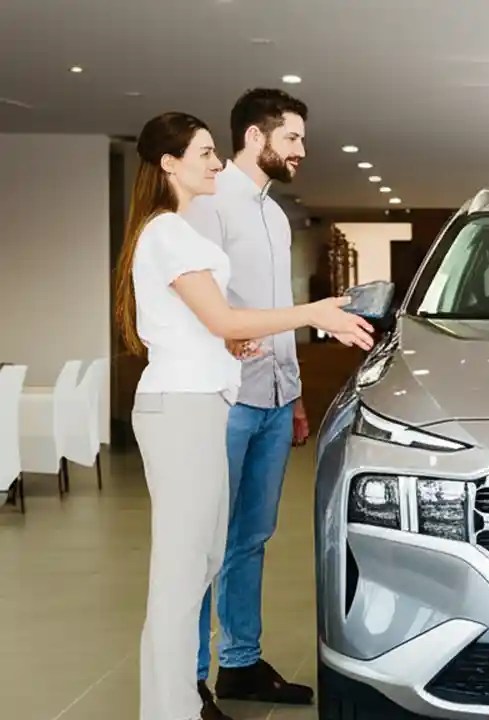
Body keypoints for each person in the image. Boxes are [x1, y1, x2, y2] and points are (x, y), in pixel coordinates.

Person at [113, 111, 373, 720]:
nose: (214, 161)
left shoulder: (172, 230)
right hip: (181, 409)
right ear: (169, 163)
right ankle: (172, 708)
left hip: (201, 402)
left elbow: (211, 324)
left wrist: (230, 343)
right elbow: (226, 317)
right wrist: (315, 313)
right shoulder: (169, 232)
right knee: (183, 571)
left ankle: (181, 698)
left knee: (202, 557)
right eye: (204, 153)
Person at [182, 88, 317, 708]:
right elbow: (206, 306)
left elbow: (277, 312)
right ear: (255, 138)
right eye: (291, 138)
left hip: (273, 397)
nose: (301, 150)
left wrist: (293, 394)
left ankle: (240, 663)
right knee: (208, 541)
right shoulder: (209, 205)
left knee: (251, 537)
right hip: (227, 401)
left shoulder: (275, 214)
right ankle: (189, 679)